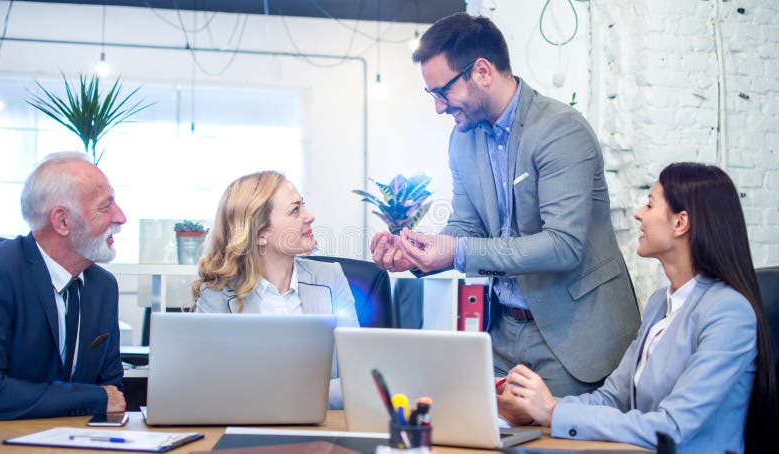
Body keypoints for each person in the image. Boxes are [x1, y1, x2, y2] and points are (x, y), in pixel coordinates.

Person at [371, 12, 640, 400]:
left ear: (482, 71)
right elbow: (467, 228)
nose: (439, 108)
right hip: (502, 333)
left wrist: (457, 251)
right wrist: (418, 254)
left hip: (572, 338)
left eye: (442, 92)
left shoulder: (560, 130)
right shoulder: (462, 140)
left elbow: (563, 245)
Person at [497, 162, 777, 453]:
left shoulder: (729, 313)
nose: (638, 214)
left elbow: (672, 427)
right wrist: (535, 408)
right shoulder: (660, 303)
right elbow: (612, 398)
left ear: (681, 223)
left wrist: (554, 413)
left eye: (650, 205)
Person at [0, 152, 127, 420]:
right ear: (62, 221)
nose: (121, 217)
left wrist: (101, 397)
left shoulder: (104, 286)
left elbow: (113, 390)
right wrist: (93, 397)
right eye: (105, 207)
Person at [192, 171, 360, 408]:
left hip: (322, 429)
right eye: (295, 210)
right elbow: (204, 385)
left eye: (304, 206)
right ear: (261, 233)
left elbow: (356, 378)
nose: (309, 217)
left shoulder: (330, 277)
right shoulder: (217, 295)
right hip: (247, 432)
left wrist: (274, 393)